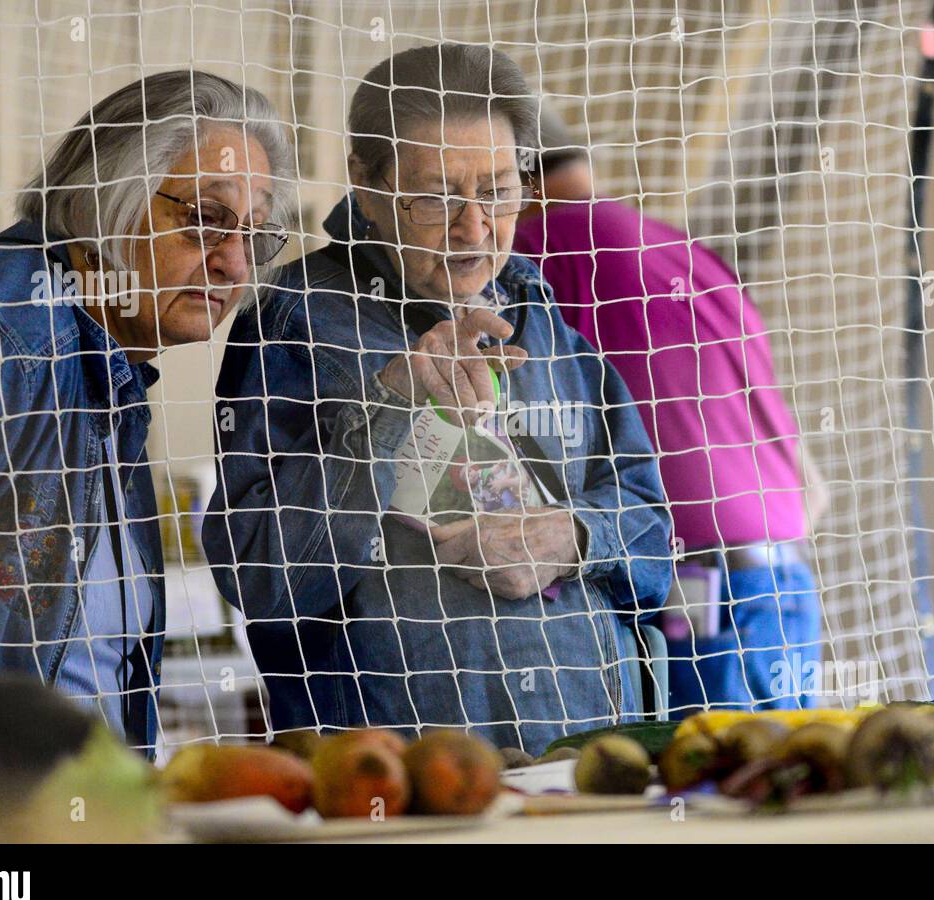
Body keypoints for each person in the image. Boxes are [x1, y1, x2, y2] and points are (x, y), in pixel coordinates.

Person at [203, 43, 673, 754]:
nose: (474, 230)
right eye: (438, 197)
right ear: (365, 184)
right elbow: (257, 570)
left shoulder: (542, 318)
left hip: (589, 753)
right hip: (400, 780)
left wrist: (573, 538)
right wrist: (391, 405)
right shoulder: (294, 322)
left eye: (497, 190)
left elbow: (653, 535)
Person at [0, 70, 295, 751]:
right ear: (107, 199)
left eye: (254, 235)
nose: (234, 266)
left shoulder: (109, 372)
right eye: (206, 220)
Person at [514, 107, 829, 715]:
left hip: (699, 595)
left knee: (701, 786)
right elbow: (807, 480)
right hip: (780, 578)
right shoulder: (691, 255)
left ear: (515, 185)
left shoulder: (541, 248)